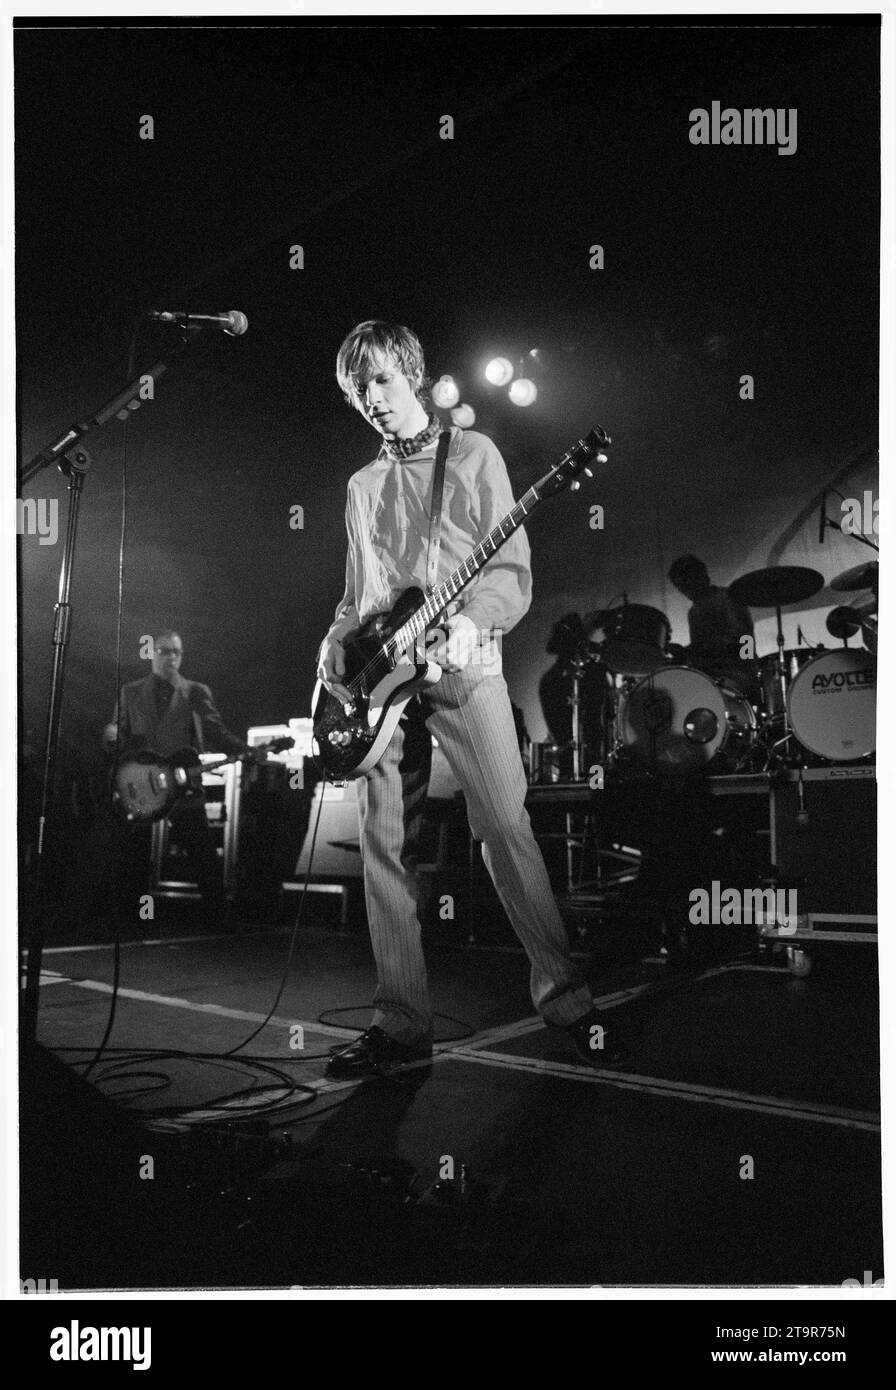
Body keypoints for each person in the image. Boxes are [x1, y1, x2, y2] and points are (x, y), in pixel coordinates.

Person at [316, 320, 629, 1078]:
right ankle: (399, 1021)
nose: (373, 400)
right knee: (384, 847)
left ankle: (565, 996)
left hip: (464, 665)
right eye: (359, 390)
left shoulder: (476, 453)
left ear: (413, 375)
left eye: (383, 381)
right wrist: (332, 642)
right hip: (380, 684)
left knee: (503, 827)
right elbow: (361, 597)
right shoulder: (361, 486)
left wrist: (469, 620)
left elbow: (509, 570)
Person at [103, 630, 246, 922]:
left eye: (176, 652)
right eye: (164, 650)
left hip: (182, 784)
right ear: (151, 653)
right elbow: (118, 730)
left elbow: (216, 731)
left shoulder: (195, 691)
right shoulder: (130, 692)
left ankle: (218, 917)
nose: (170, 657)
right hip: (142, 785)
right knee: (133, 853)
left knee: (202, 849)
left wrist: (246, 750)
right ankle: (134, 918)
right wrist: (111, 735)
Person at [668, 554, 757, 699]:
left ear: (701, 575)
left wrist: (746, 668)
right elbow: (702, 649)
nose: (684, 589)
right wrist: (683, 652)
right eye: (680, 586)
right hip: (712, 676)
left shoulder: (729, 597)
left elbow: (745, 640)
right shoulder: (693, 612)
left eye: (686, 582)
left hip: (738, 674)